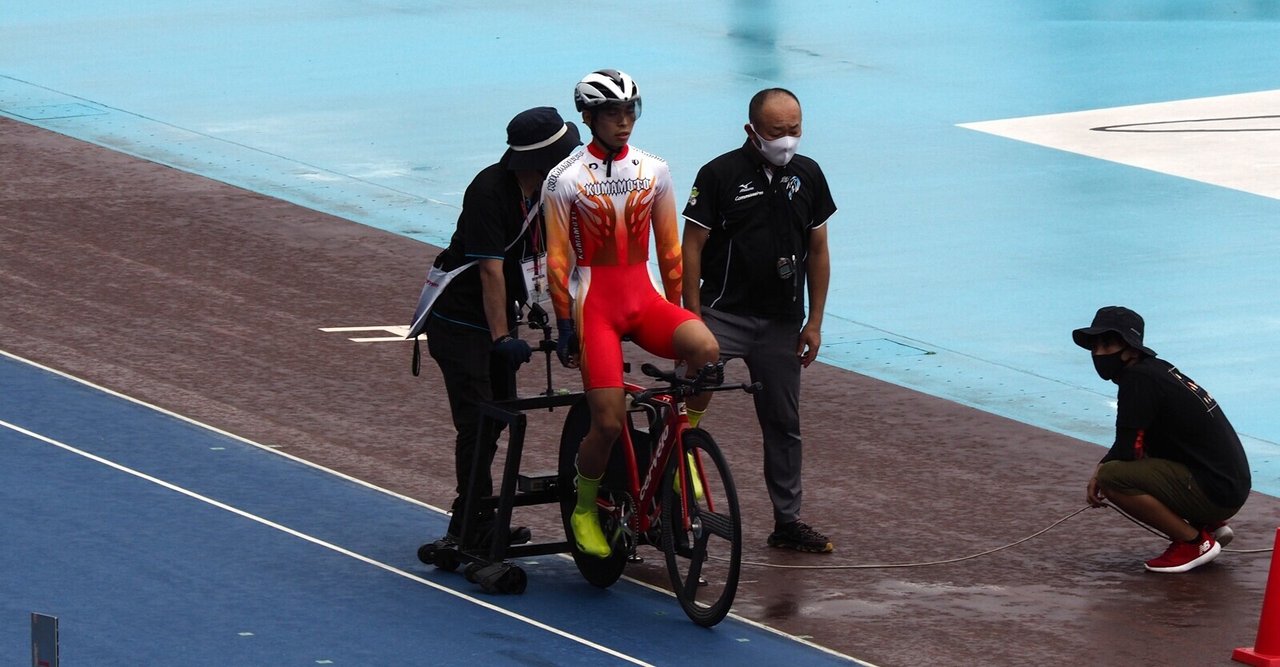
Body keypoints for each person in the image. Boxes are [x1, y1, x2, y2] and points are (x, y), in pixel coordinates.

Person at [544, 69, 720, 558]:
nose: (624, 123)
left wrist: (689, 313)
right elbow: (557, 260)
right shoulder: (564, 180)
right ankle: (583, 506)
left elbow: (670, 251)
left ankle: (681, 451)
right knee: (605, 422)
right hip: (595, 309)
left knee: (706, 352)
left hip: (643, 300)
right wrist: (563, 324)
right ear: (588, 117)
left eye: (631, 112)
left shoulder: (654, 170)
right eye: (613, 114)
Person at [681, 88, 837, 553]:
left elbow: (819, 250)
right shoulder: (719, 174)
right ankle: (675, 499)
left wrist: (815, 321)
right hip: (721, 318)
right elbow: (692, 247)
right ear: (752, 130)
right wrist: (692, 316)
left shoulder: (808, 175)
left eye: (795, 130)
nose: (787, 140)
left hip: (782, 324)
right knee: (686, 404)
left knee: (784, 424)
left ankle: (787, 522)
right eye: (777, 132)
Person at [422, 107, 581, 549]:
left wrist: (564, 321)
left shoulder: (546, 194)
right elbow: (491, 271)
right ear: (540, 159)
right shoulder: (489, 191)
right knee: (477, 420)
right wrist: (501, 339)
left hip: (496, 318)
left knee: (500, 418)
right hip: (458, 319)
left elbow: (551, 261)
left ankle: (477, 515)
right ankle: (470, 522)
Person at [1074, 306, 1251, 573]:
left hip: (1217, 491)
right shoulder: (1157, 370)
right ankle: (1210, 524)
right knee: (1143, 451)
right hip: (1228, 484)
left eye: (1107, 344)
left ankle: (1193, 542)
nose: (1098, 353)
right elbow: (1135, 440)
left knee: (1114, 476)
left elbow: (1126, 450)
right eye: (1094, 346)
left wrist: (1099, 473)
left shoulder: (1138, 380)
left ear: (1131, 349)